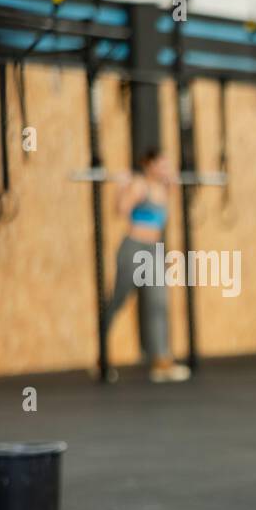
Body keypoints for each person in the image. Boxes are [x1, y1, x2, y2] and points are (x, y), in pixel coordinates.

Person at [104, 148, 189, 383]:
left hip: (153, 251)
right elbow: (120, 211)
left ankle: (162, 361)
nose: (165, 170)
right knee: (119, 299)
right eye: (161, 166)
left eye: (166, 165)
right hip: (133, 249)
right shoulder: (139, 185)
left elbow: (174, 186)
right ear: (149, 166)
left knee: (159, 303)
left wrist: (173, 177)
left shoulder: (164, 188)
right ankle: (101, 356)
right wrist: (121, 187)